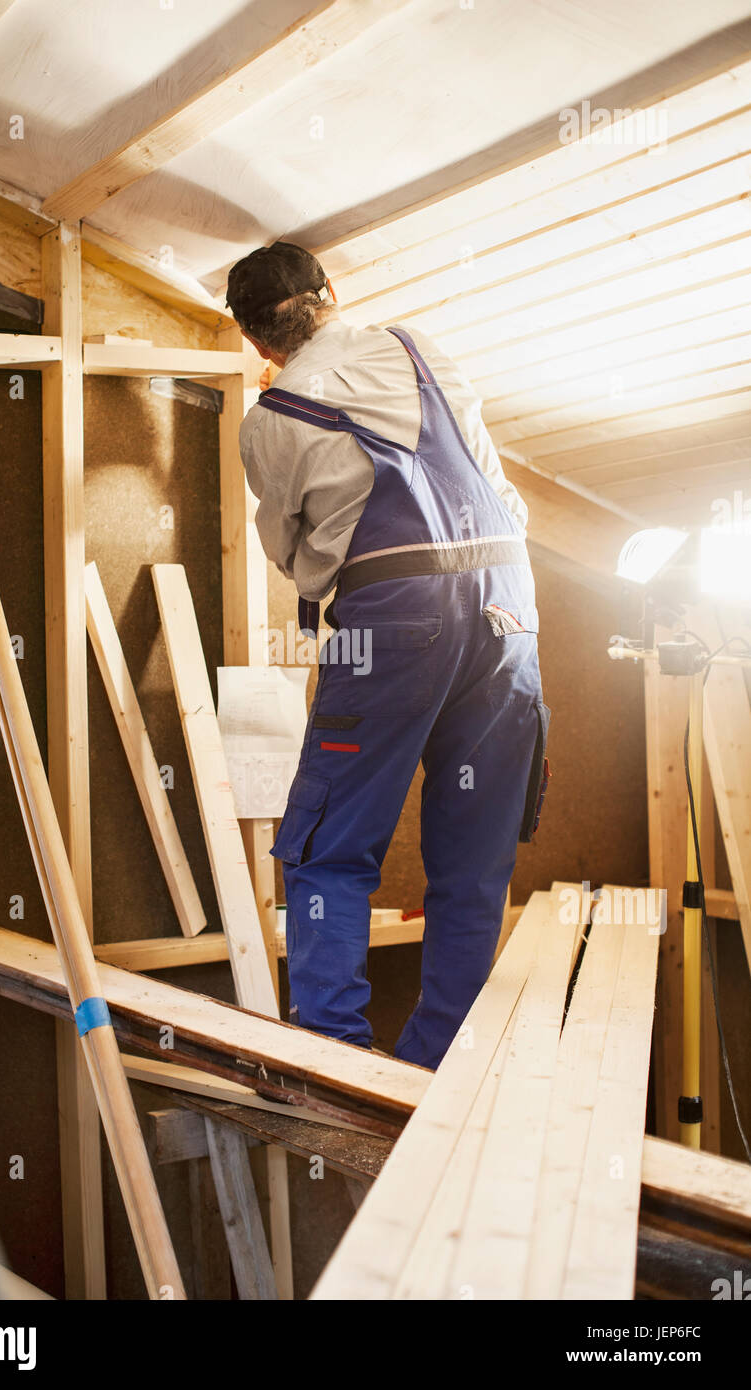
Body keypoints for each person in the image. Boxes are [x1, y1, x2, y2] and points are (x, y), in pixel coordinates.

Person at [227, 241, 549, 1071]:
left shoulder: (271, 418)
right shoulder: (421, 348)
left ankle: (336, 1058)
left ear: (259, 344)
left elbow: (302, 562)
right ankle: (439, 1063)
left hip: (396, 614)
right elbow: (503, 491)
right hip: (511, 603)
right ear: (331, 293)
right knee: (476, 856)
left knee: (331, 845)